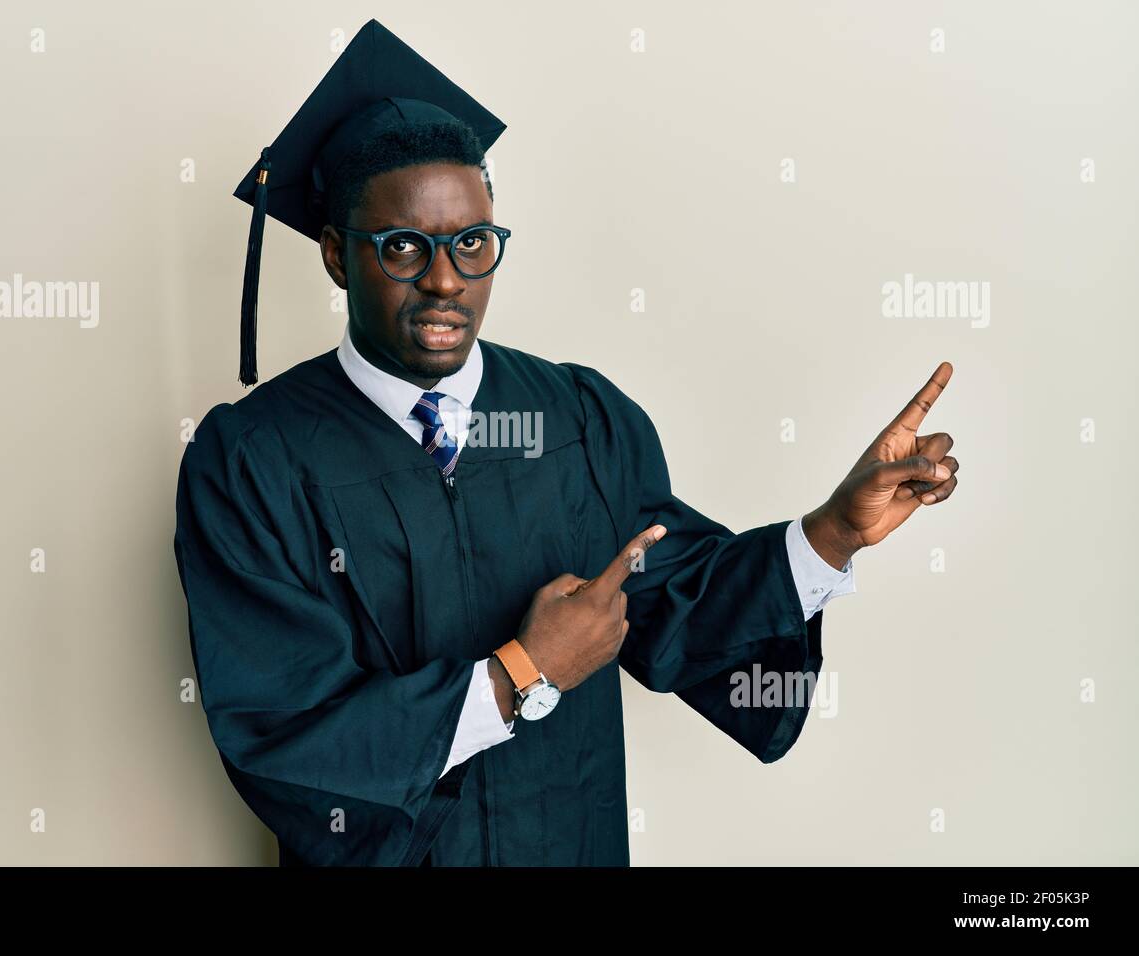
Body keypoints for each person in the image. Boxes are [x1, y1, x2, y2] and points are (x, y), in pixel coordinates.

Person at [172, 19, 960, 866]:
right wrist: (519, 673)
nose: (445, 278)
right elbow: (282, 731)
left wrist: (831, 533)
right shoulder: (254, 458)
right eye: (404, 246)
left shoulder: (578, 416)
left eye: (472, 242)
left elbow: (681, 609)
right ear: (335, 254)